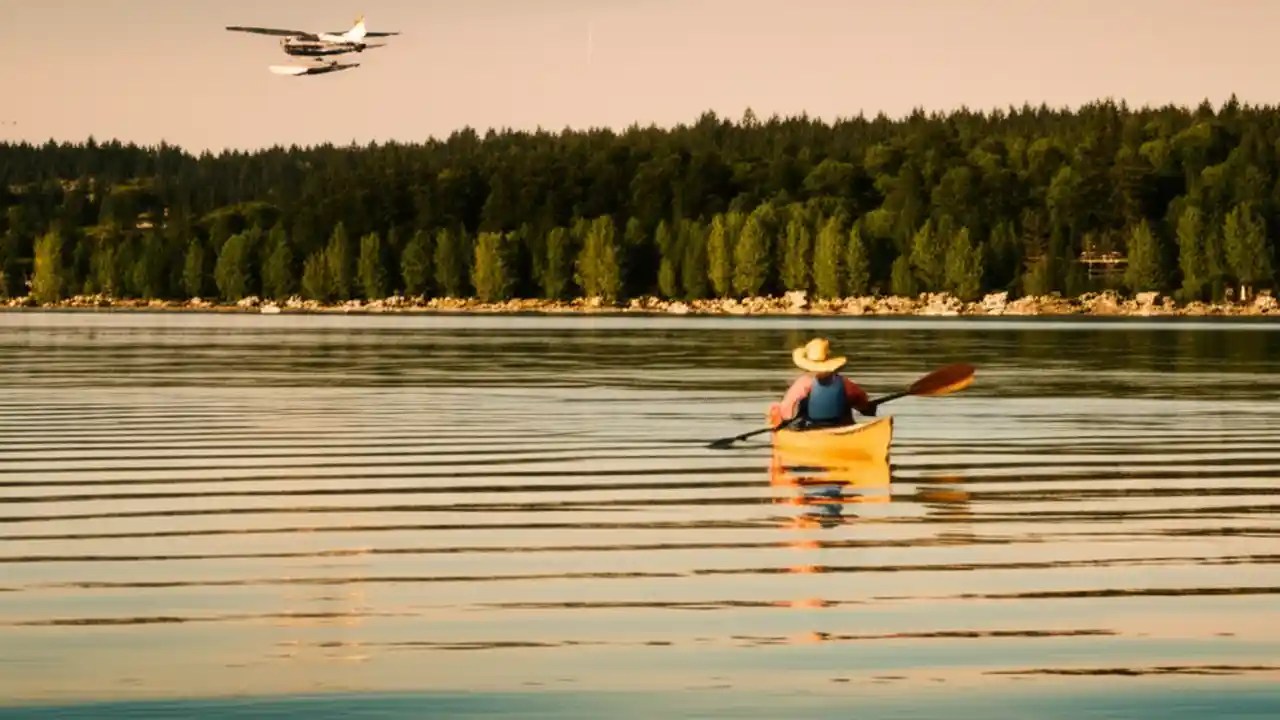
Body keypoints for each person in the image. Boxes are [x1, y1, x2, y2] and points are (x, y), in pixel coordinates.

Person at [770, 337, 875, 429]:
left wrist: (777, 418)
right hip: (841, 427)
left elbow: (786, 412)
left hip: (810, 429)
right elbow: (863, 404)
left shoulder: (802, 384)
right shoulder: (845, 383)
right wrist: (867, 407)